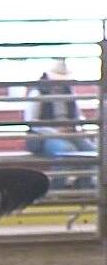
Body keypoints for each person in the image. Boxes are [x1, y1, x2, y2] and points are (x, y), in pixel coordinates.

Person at [24, 60, 96, 189]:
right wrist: (56, 131)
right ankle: (56, 187)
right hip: (43, 137)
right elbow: (33, 123)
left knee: (91, 151)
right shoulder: (37, 93)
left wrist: (77, 127)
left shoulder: (69, 92)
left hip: (69, 133)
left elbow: (78, 114)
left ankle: (85, 184)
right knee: (66, 151)